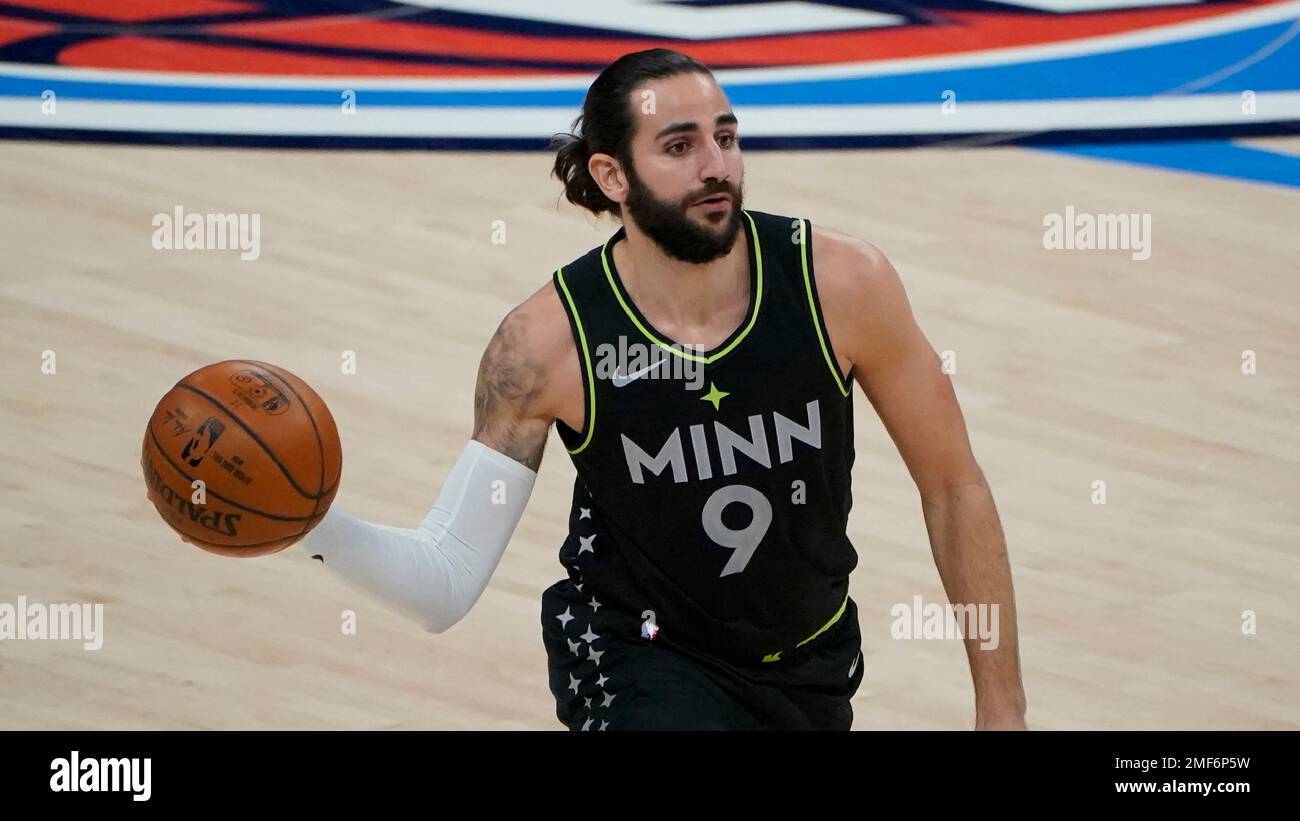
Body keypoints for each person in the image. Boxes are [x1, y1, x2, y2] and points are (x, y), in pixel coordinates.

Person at [303, 48, 1027, 731]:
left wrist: (1002, 711)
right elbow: (445, 578)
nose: (717, 167)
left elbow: (954, 487)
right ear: (613, 177)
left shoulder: (840, 284)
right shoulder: (547, 345)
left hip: (813, 659)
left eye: (726, 137)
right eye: (680, 147)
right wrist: (306, 527)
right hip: (637, 651)